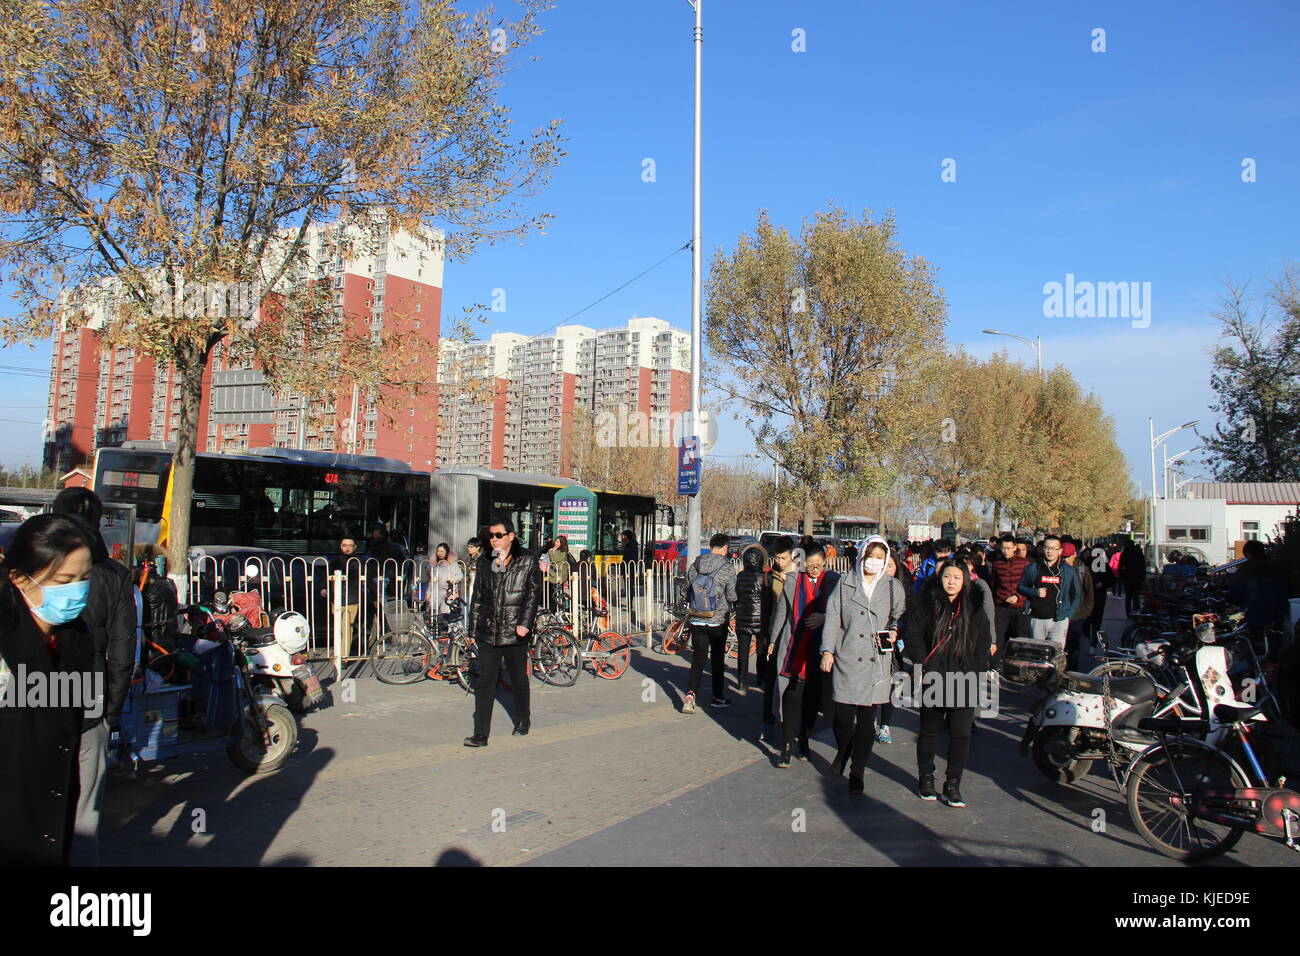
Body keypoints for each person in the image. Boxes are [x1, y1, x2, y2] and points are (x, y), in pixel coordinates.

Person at [0, 513, 95, 865]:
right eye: (63, 580)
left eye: (84, 578)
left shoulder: (78, 635)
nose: (77, 590)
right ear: (21, 580)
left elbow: (77, 718)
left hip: (53, 813)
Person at [50, 488, 136, 866]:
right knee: (85, 815)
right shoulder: (115, 575)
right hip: (90, 703)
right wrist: (109, 712)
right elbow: (122, 653)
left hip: (33, 699)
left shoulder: (32, 562)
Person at [819, 536, 905, 794]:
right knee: (842, 718)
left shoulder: (892, 586)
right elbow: (833, 619)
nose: (874, 562)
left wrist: (894, 630)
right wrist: (827, 650)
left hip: (876, 660)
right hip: (847, 656)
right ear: (861, 556)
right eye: (870, 556)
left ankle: (857, 769)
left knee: (867, 721)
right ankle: (843, 752)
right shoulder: (845, 583)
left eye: (880, 557)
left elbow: (900, 616)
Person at [904, 560, 992, 807]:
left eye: (956, 577)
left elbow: (984, 641)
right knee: (929, 730)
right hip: (934, 675)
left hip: (965, 677)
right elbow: (913, 635)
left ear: (965, 580)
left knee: (961, 734)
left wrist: (978, 668)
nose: (951, 582)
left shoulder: (974, 607)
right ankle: (926, 777)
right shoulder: (926, 604)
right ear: (939, 578)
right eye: (947, 577)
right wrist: (922, 663)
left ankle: (953, 782)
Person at [464, 518, 542, 746]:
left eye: (498, 535)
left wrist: (525, 623)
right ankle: (481, 734)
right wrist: (472, 629)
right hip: (489, 630)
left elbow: (532, 594)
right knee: (485, 682)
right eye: (491, 535)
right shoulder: (484, 561)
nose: (494, 539)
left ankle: (523, 719)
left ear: (511, 536)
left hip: (515, 630)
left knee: (518, 679)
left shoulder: (527, 559)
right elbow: (477, 597)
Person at [768, 542, 840, 767]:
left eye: (819, 565)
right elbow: (783, 611)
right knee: (791, 694)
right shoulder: (792, 580)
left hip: (820, 648)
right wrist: (773, 640)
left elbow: (841, 613)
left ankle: (804, 740)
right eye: (810, 565)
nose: (815, 569)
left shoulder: (834, 581)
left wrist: (824, 616)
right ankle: (787, 745)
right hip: (794, 644)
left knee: (812, 699)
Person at [682, 533, 738, 713]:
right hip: (717, 620)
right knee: (717, 659)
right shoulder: (727, 568)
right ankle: (717, 696)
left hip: (697, 617)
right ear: (724, 548)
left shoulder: (696, 563)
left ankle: (690, 695)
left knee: (698, 658)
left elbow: (689, 587)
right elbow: (731, 596)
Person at [1016, 534, 1080, 651]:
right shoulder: (1033, 568)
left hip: (1058, 619)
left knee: (1056, 654)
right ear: (1042, 549)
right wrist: (1035, 592)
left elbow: (1076, 594)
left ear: (1060, 551)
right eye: (1047, 548)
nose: (1050, 551)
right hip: (1037, 617)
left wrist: (1068, 615)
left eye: (1054, 548)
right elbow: (1020, 587)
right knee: (1037, 652)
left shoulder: (1068, 570)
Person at [759, 537, 795, 737]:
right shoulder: (770, 578)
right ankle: (767, 721)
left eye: (783, 557)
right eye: (776, 557)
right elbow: (766, 609)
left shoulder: (799, 577)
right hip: (773, 635)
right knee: (771, 680)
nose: (779, 561)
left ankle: (789, 724)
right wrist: (765, 636)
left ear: (792, 555)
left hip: (793, 635)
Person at [875, 548, 912, 743]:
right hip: (871, 642)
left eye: (890, 565)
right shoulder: (869, 586)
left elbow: (905, 614)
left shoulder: (902, 587)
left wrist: (897, 630)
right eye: (883, 565)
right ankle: (871, 719)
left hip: (892, 643)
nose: (886, 569)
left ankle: (885, 725)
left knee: (891, 683)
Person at [732, 544, 769, 697]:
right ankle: (761, 678)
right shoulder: (765, 577)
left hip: (742, 618)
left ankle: (742, 681)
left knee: (743, 652)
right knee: (762, 651)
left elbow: (734, 597)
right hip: (761, 619)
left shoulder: (739, 576)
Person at [986, 534, 1030, 661]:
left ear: (1015, 548)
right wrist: (996, 601)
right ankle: (993, 666)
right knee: (998, 638)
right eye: (1003, 548)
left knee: (1020, 638)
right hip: (1001, 606)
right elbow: (994, 584)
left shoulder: (1025, 564)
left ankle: (1020, 665)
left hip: (1020, 607)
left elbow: (1028, 584)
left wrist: (1018, 597)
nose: (1005, 551)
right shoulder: (997, 564)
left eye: (1009, 548)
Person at [321, 536, 361, 659]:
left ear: (354, 547)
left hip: (351, 600)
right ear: (341, 547)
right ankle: (339, 652)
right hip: (337, 599)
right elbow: (326, 575)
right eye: (344, 545)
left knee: (346, 628)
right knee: (338, 629)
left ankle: (343, 656)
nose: (347, 548)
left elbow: (366, 579)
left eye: (350, 545)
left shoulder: (358, 562)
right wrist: (324, 588)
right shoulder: (336, 561)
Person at [1062, 542, 1094, 671]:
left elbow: (1089, 592)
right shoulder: (1057, 569)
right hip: (1060, 614)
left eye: (1067, 556)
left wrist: (1085, 612)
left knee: (1074, 647)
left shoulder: (1082, 570)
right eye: (1063, 557)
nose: (1065, 559)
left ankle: (1072, 673)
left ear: (1074, 555)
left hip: (1077, 615)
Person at [1118, 539, 1147, 617]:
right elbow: (1143, 565)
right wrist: (1143, 577)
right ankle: (1136, 610)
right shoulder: (1138, 552)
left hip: (1127, 577)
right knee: (1136, 594)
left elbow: (1120, 566)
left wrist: (1121, 576)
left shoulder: (1125, 553)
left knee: (1128, 596)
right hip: (1137, 577)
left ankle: (1128, 612)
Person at [544, 536, 571, 612]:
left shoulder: (563, 552)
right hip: (553, 573)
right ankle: (555, 607)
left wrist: (551, 551)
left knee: (558, 591)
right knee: (554, 591)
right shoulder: (552, 550)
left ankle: (559, 608)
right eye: (555, 541)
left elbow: (554, 560)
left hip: (559, 574)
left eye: (558, 542)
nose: (556, 543)